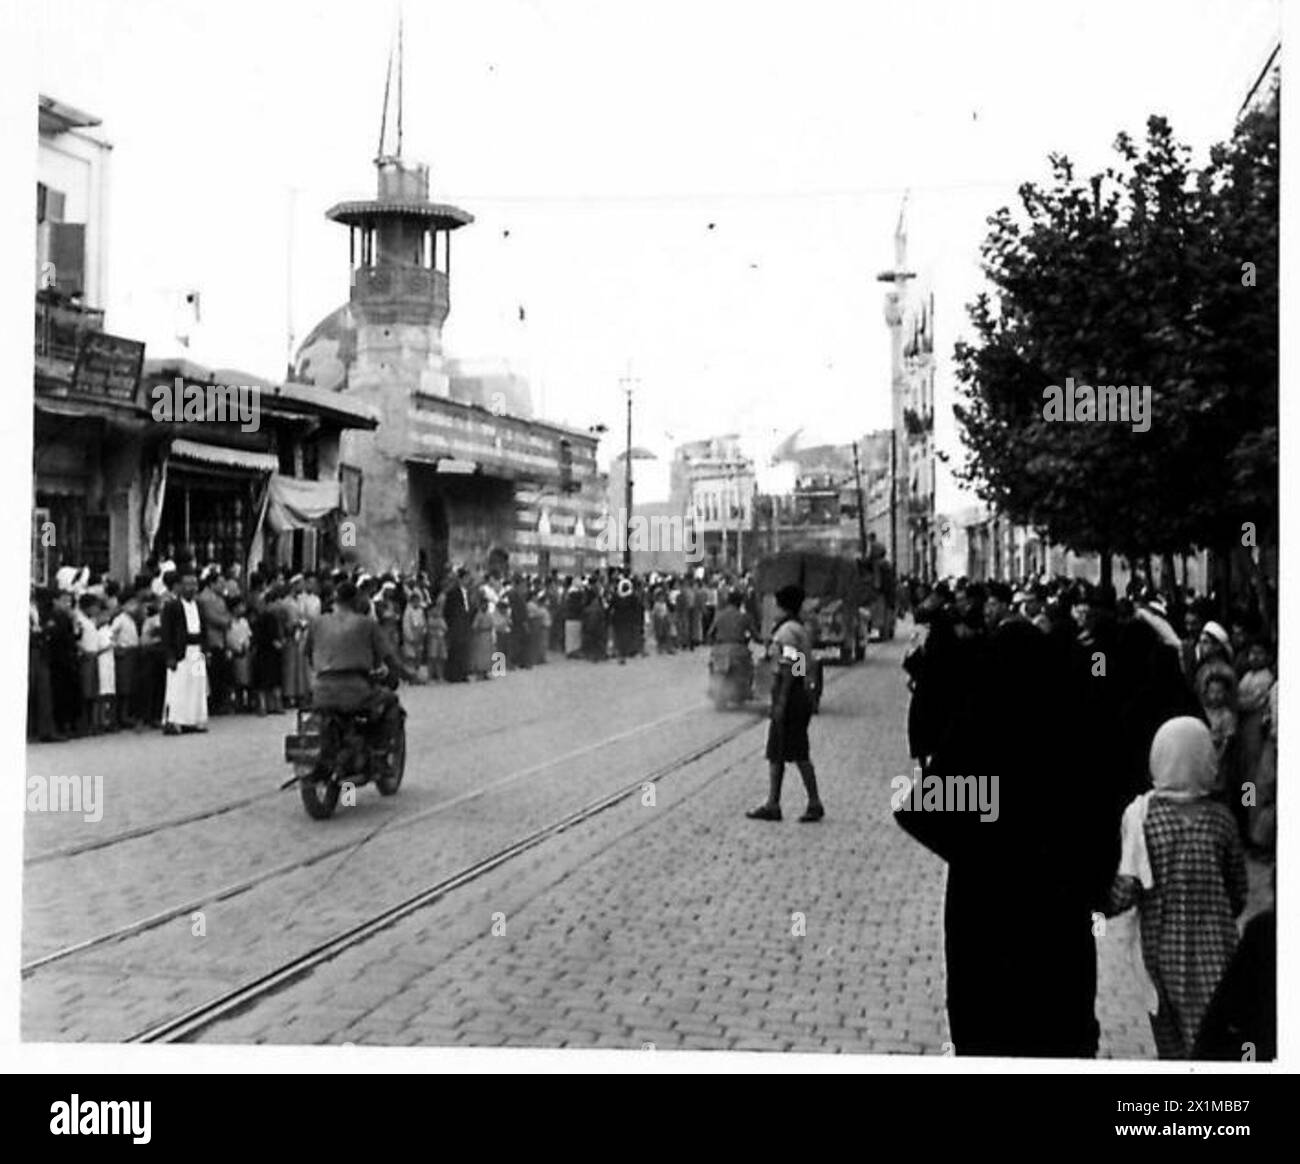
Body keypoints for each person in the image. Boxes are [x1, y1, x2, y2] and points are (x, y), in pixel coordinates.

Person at [1106, 717, 1248, 1059]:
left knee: (1172, 1046)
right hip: (1220, 957)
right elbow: (1239, 893)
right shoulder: (1223, 821)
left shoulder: (1144, 818)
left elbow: (1124, 895)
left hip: (1161, 956)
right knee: (1214, 1045)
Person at [304, 581, 406, 761]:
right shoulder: (367, 624)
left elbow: (305, 653)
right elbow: (389, 657)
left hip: (321, 691)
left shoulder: (317, 623)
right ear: (356, 601)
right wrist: (405, 673)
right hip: (356, 691)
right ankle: (381, 749)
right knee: (391, 701)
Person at [747, 584, 823, 823]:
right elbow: (799, 664)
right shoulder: (797, 629)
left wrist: (782, 699)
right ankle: (774, 802)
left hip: (789, 696)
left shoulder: (787, 632)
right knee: (778, 753)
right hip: (797, 692)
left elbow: (790, 666)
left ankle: (813, 802)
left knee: (798, 752)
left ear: (782, 606)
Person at [160, 567, 209, 734]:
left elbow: (204, 630)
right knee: (178, 686)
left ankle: (195, 719)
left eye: (194, 584)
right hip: (181, 651)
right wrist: (169, 655)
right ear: (180, 586)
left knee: (197, 685)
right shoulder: (172, 606)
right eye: (188, 584)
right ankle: (175, 721)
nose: (192, 588)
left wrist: (205, 651)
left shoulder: (200, 606)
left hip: (197, 651)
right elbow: (166, 633)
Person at [109, 592, 140, 729]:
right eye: (131, 603)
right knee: (123, 686)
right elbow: (111, 635)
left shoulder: (131, 619)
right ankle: (120, 716)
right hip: (124, 654)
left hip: (133, 653)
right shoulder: (120, 619)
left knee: (130, 686)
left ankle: (126, 715)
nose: (134, 606)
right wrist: (117, 647)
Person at [443, 567, 473, 682]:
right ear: (460, 579)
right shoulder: (452, 593)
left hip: (465, 623)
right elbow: (448, 610)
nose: (468, 580)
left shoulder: (468, 592)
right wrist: (451, 623)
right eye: (466, 578)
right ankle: (453, 675)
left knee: (464, 649)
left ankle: (463, 673)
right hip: (456, 625)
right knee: (455, 650)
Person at [226, 598, 253, 712]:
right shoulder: (229, 622)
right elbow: (228, 637)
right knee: (236, 679)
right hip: (234, 652)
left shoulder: (244, 622)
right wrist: (235, 647)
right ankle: (238, 702)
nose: (242, 609)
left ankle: (247, 702)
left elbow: (248, 635)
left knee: (247, 678)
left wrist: (246, 645)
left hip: (245, 651)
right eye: (240, 607)